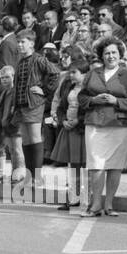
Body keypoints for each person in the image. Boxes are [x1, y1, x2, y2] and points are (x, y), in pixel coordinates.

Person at [77, 36, 127, 216]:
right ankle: (96, 204)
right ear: (102, 56)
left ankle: (109, 204)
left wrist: (117, 101)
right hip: (96, 124)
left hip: (120, 125)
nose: (111, 56)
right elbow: (81, 97)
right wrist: (93, 100)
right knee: (96, 164)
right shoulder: (93, 74)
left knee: (115, 165)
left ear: (120, 55)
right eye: (107, 53)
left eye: (114, 52)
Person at [9, 30, 59, 194]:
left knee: (35, 137)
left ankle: (37, 177)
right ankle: (30, 177)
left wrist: (44, 90)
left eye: (23, 42)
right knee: (26, 140)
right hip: (21, 104)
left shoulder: (39, 59)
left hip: (34, 103)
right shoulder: (20, 61)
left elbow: (55, 74)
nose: (20, 45)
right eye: (19, 42)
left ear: (31, 43)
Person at [49, 59, 88, 211]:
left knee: (85, 165)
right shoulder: (69, 87)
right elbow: (60, 107)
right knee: (73, 165)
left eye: (74, 72)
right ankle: (73, 197)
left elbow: (90, 110)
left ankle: (86, 198)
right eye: (70, 72)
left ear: (84, 73)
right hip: (69, 128)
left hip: (82, 130)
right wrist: (63, 120)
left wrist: (78, 120)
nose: (70, 75)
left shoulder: (89, 90)